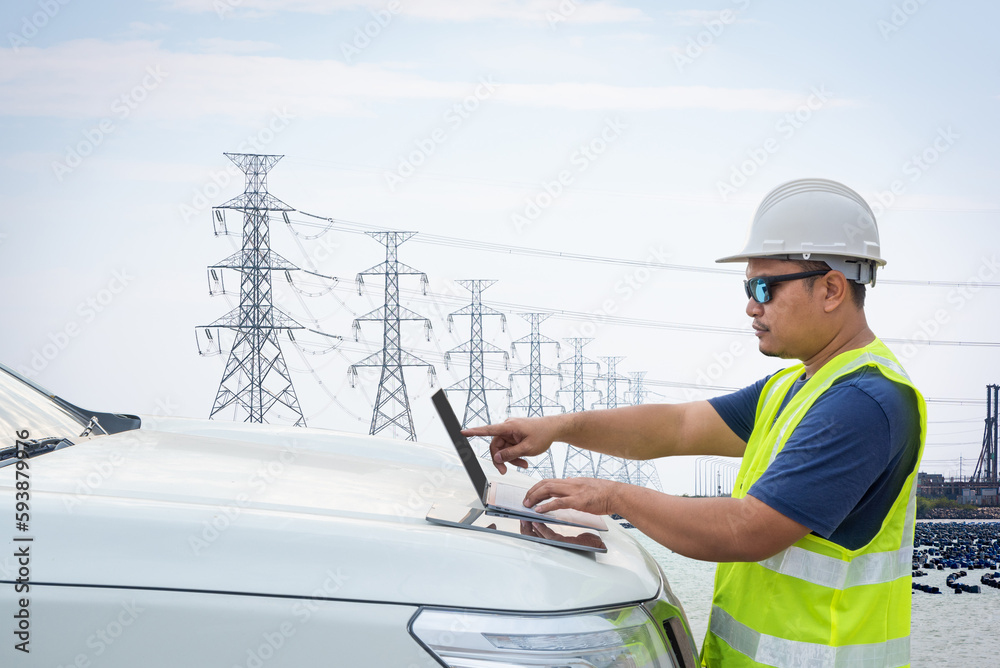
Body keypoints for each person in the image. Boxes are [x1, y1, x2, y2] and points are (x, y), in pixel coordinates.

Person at [464, 178, 927, 668]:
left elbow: (747, 530)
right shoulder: (795, 388)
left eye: (764, 287)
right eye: (748, 287)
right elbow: (678, 427)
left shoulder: (861, 403)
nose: (751, 305)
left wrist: (614, 497)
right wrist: (559, 427)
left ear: (832, 288)